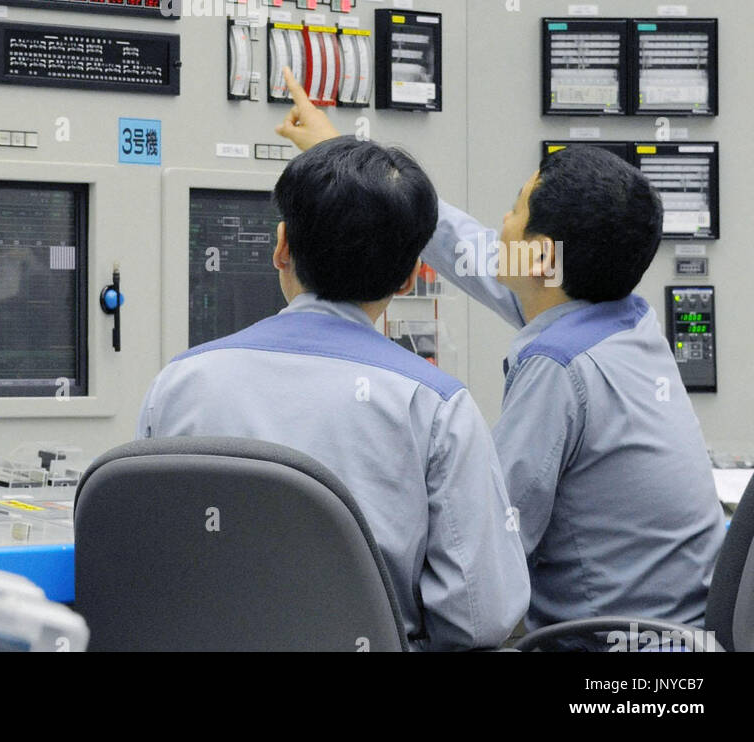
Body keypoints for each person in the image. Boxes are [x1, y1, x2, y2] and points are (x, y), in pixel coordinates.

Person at [275, 70, 726, 642]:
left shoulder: (559, 368)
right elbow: (469, 249)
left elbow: (489, 543)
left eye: (513, 210)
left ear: (540, 260)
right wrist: (343, 155)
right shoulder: (619, 318)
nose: (500, 226)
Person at [137, 133, 530, 651]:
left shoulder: (179, 382)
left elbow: (146, 566)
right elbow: (481, 618)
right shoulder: (435, 407)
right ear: (411, 276)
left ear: (281, 247)